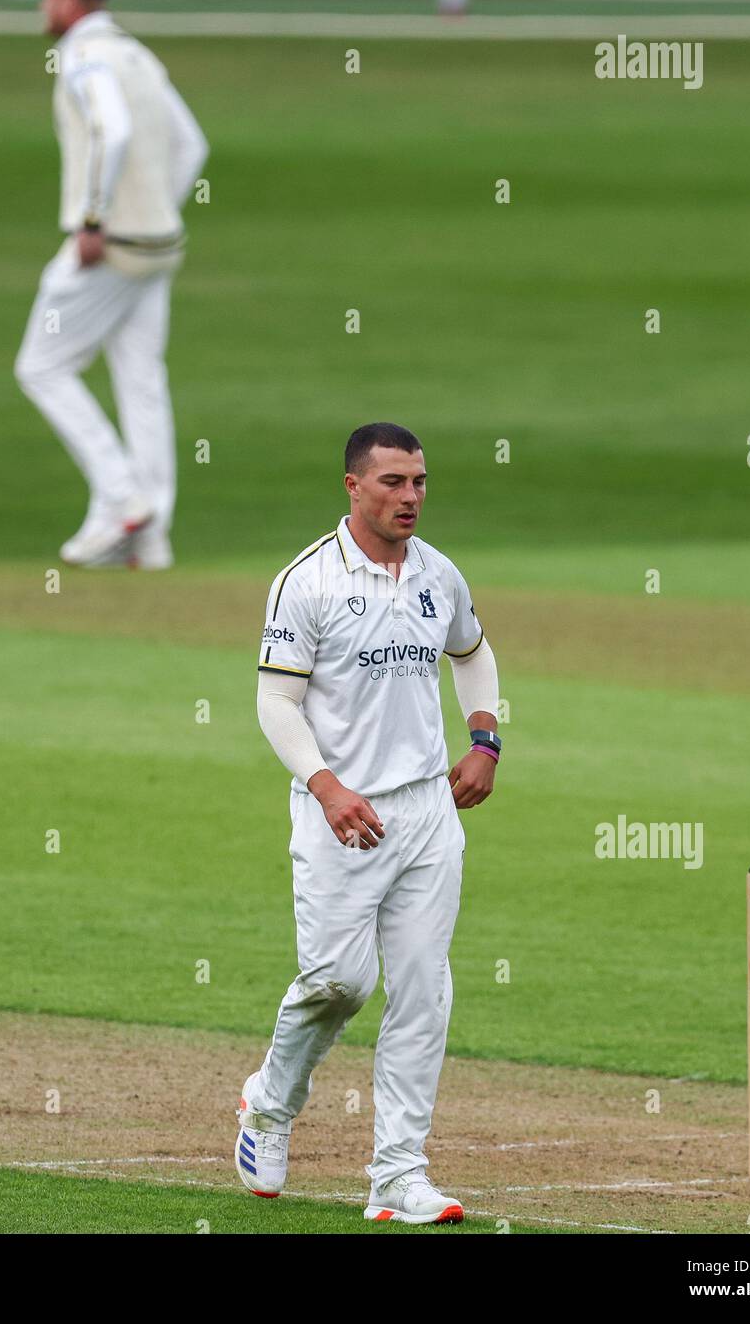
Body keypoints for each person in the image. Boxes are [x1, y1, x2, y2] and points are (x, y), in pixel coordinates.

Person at [239, 422, 502, 1225]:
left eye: (419, 481)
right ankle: (269, 1106)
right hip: (342, 815)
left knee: (423, 989)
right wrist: (325, 787)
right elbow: (275, 701)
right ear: (353, 486)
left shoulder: (438, 573)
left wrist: (485, 737)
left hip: (426, 810)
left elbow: (473, 652)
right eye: (392, 482)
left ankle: (398, 1176)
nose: (411, 496)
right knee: (339, 984)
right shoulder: (308, 581)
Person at [14, 0, 209, 569]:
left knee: (40, 366)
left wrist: (98, 217)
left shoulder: (83, 55)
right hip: (158, 244)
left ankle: (124, 500)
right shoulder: (138, 55)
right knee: (140, 376)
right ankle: (151, 539)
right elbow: (193, 145)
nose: (43, 7)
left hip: (111, 246)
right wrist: (156, 209)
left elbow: (113, 129)